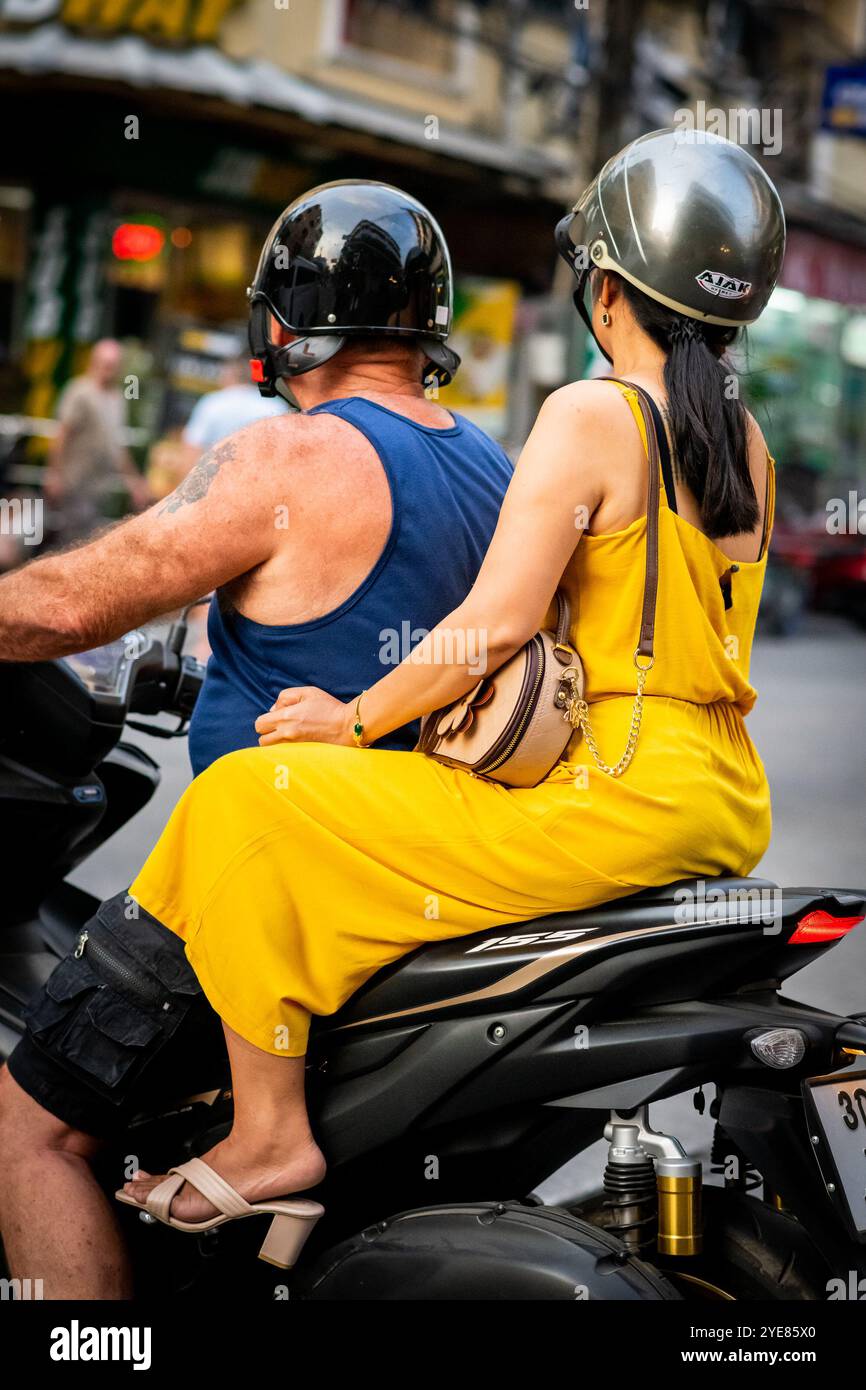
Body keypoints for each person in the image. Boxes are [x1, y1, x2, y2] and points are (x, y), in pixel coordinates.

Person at [0, 180, 513, 1296]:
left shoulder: (293, 458)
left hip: (270, 891)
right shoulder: (495, 468)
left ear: (288, 318)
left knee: (26, 1134)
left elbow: (72, 606)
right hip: (417, 885)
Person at [43, 338, 151, 542]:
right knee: (72, 543)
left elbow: (116, 445)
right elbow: (62, 434)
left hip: (100, 487)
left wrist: (133, 481)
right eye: (106, 364)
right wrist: (54, 474)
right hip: (75, 482)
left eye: (114, 365)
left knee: (85, 539)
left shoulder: (117, 397)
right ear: (94, 362)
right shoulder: (79, 391)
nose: (109, 369)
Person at [182, 354, 288, 460]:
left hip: (214, 472)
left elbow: (193, 447)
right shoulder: (277, 406)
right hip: (260, 473)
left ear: (230, 375)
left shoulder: (213, 402)